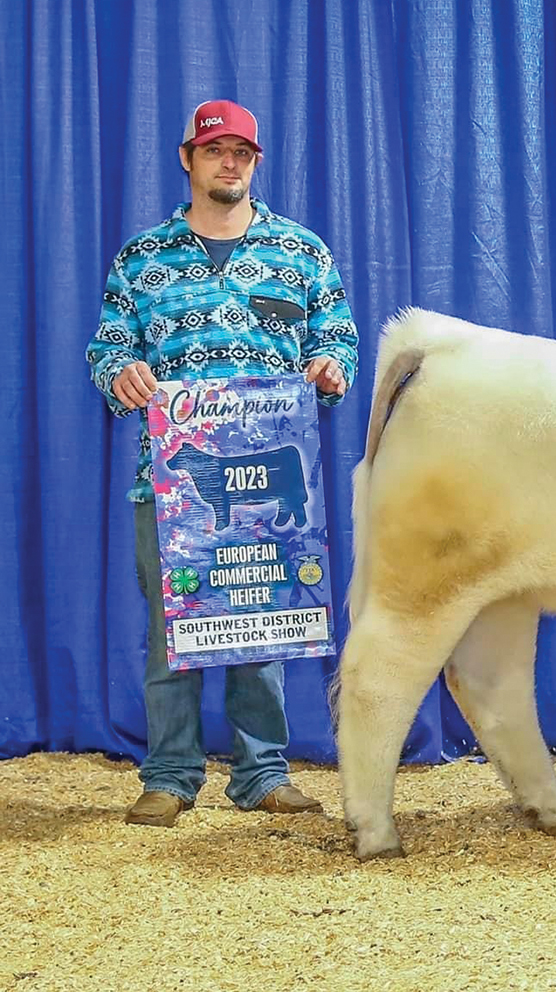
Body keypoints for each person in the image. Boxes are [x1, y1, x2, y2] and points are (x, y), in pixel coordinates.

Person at [86, 99, 358, 827]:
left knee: (260, 619)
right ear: (188, 158)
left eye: (242, 151)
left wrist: (332, 365)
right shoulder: (141, 260)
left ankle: (262, 771)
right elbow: (108, 349)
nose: (228, 161)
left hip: (268, 477)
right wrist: (120, 374)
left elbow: (340, 343)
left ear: (256, 163)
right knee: (173, 628)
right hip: (171, 482)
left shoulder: (302, 253)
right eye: (215, 150)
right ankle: (170, 775)